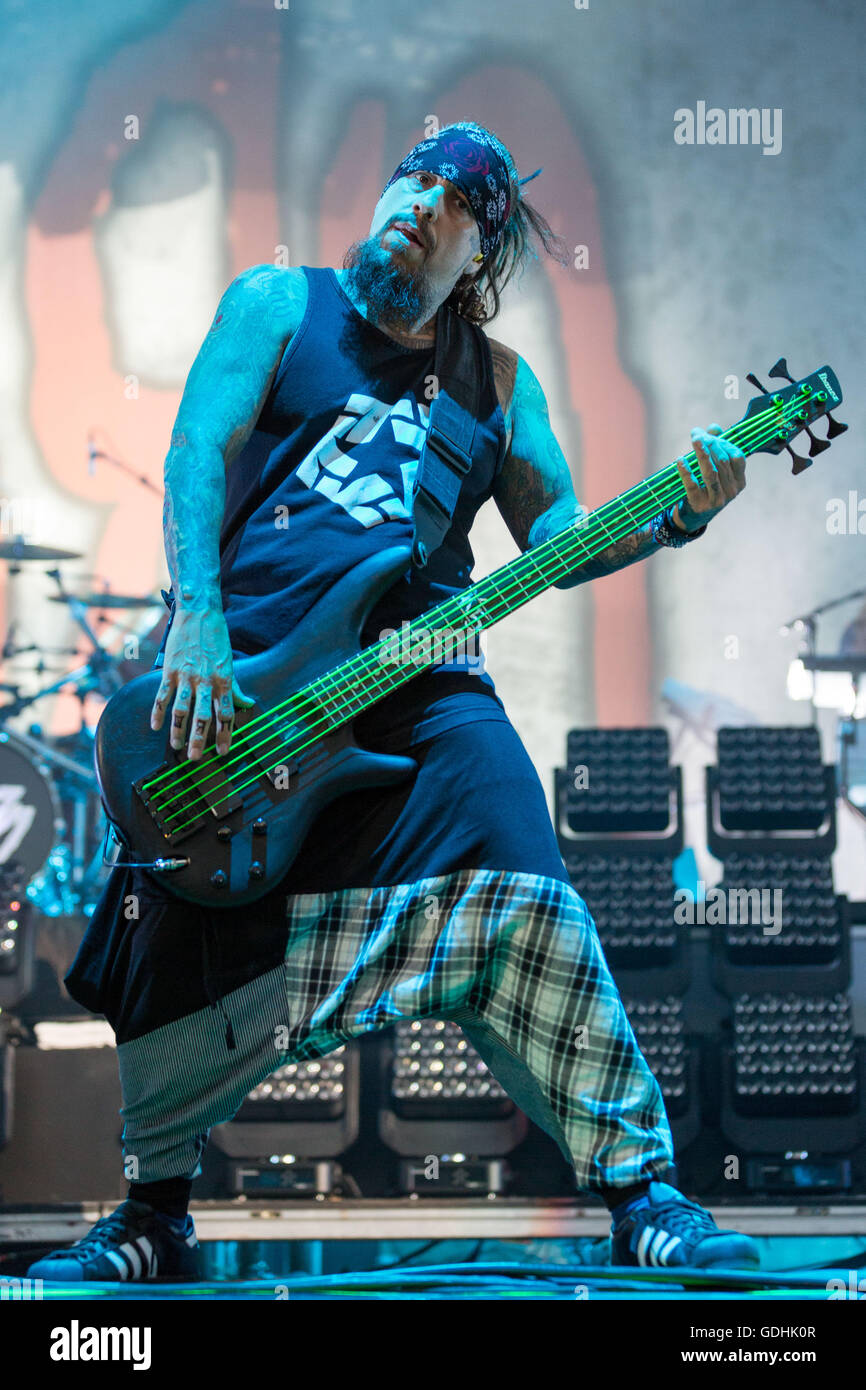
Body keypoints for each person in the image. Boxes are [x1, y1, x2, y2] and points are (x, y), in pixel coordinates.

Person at [30, 121, 756, 1282]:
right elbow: (195, 455)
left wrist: (676, 509)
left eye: (456, 198)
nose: (420, 200)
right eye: (412, 177)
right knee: (172, 916)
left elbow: (555, 537)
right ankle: (155, 1212)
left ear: (478, 249)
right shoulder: (280, 304)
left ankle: (642, 1192)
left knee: (522, 873)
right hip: (253, 674)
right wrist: (199, 620)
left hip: (422, 684)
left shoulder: (495, 386)